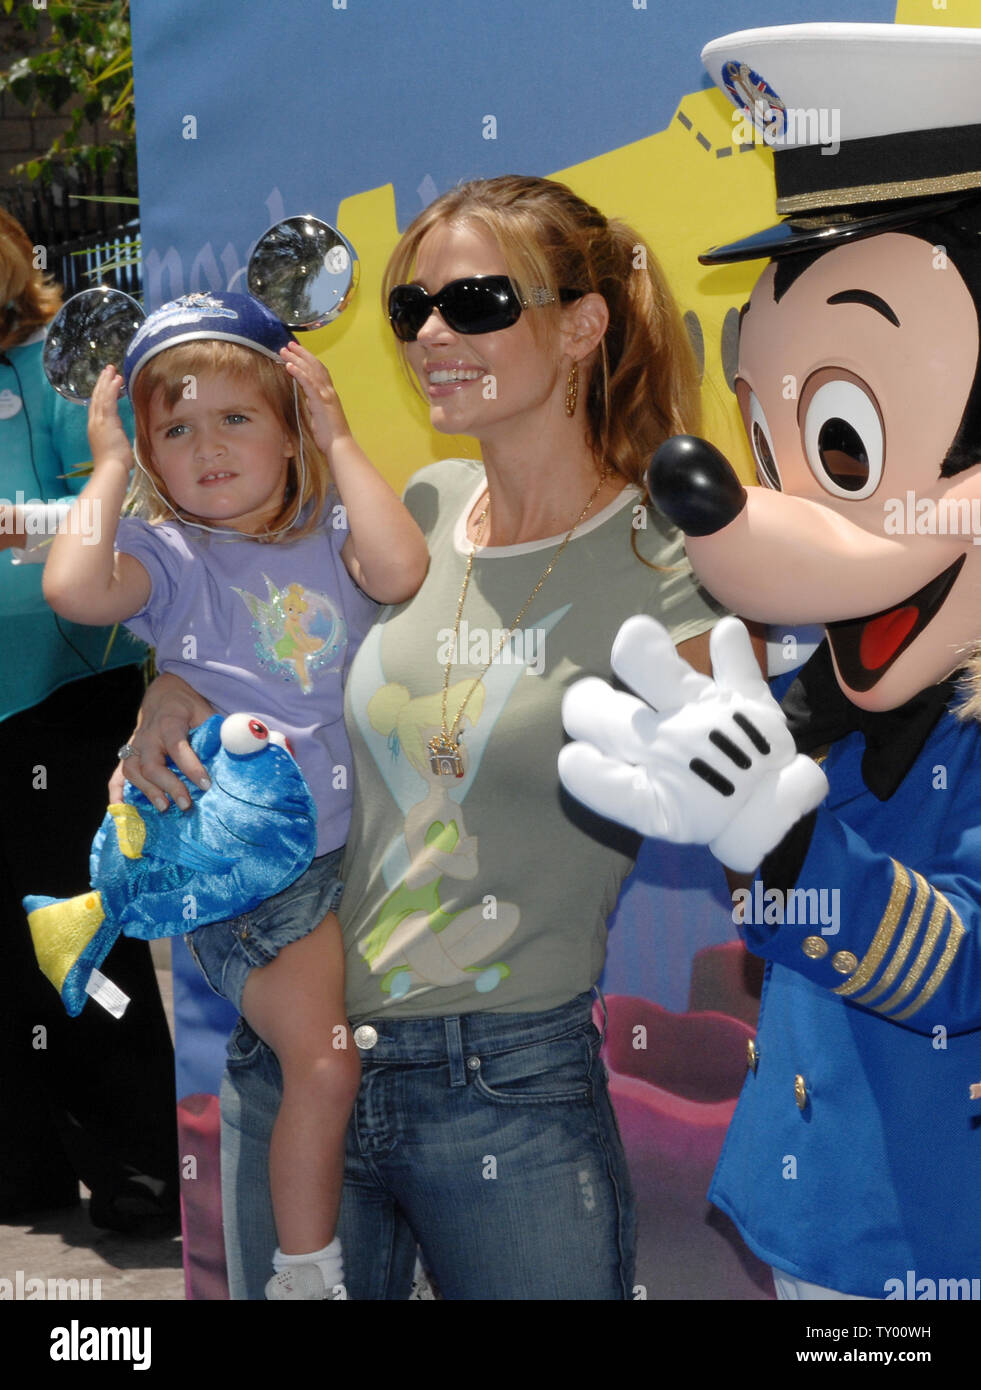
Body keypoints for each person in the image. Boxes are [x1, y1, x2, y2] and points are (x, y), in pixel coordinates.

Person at [115, 176, 727, 1299]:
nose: (435, 334)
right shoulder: (422, 509)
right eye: (412, 309)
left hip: (507, 1083)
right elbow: (254, 636)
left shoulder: (674, 559)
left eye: (479, 300)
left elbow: (742, 792)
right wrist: (169, 688)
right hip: (300, 1059)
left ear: (584, 325)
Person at [41, 289, 428, 1299]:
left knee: (360, 1064)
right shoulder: (171, 559)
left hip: (357, 860)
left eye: (237, 418)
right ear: (153, 455)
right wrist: (111, 462)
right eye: (175, 429)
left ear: (288, 431)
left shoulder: (337, 527)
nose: (207, 448)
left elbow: (401, 566)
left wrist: (337, 434)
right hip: (256, 879)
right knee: (329, 1064)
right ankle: (305, 1272)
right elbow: (74, 591)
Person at [0, 206, 179, 1233]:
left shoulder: (63, 365)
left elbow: (127, 511)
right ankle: (20, 1167)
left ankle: (138, 1165)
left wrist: (16, 525)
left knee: (81, 930)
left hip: (67, 695)